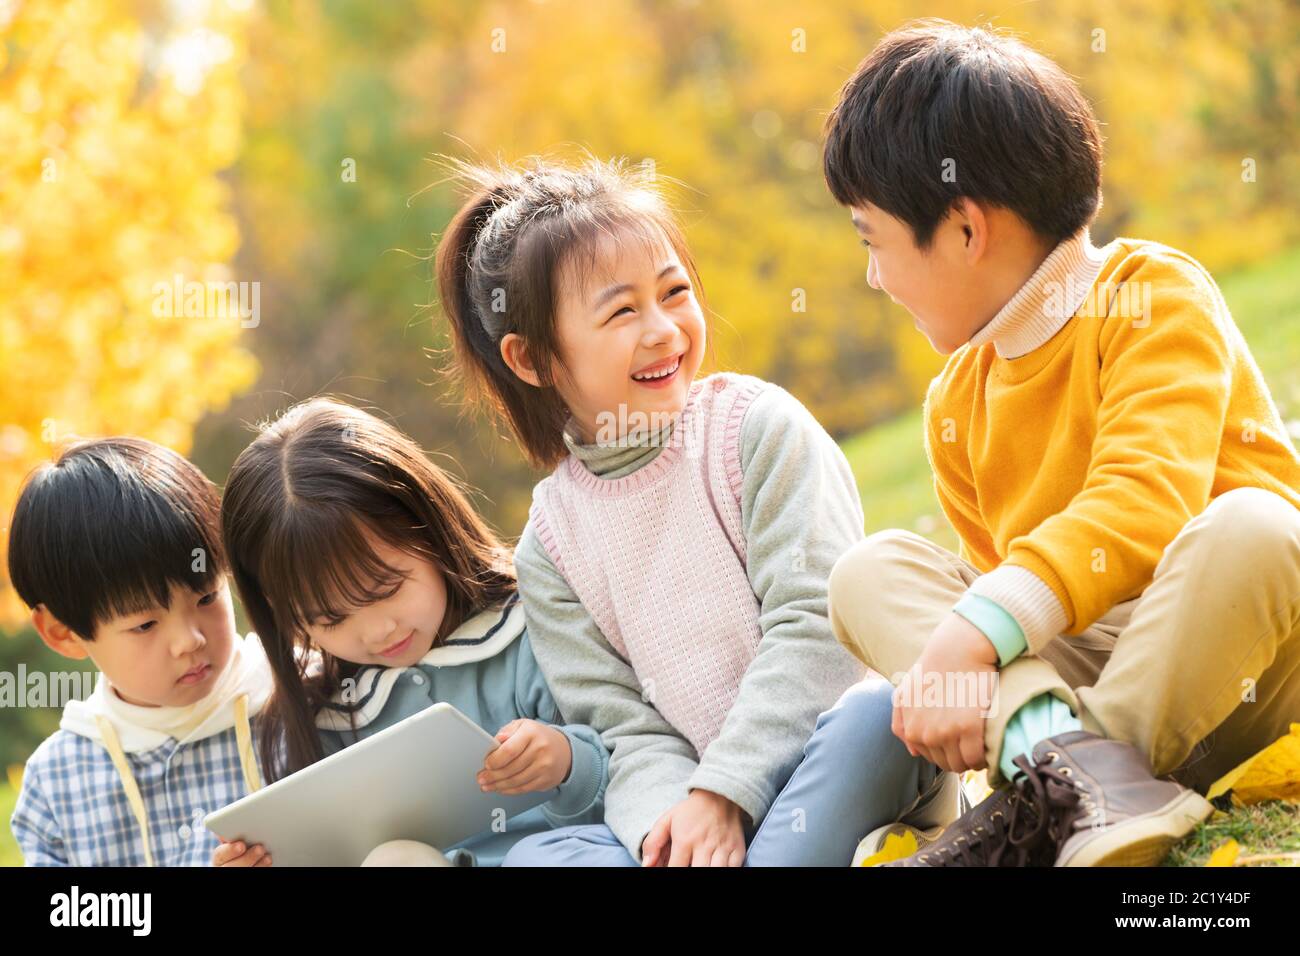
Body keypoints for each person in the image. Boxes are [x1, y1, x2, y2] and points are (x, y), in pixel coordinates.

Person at [821, 20, 1300, 866]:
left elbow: (1144, 501)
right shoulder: (955, 403)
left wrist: (972, 634)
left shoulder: (1152, 296)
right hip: (1088, 679)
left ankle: (1058, 795)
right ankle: (1084, 783)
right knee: (870, 572)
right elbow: (1009, 634)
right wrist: (976, 643)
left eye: (873, 240)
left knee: (1257, 526)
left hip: (1241, 660)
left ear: (965, 231)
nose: (873, 277)